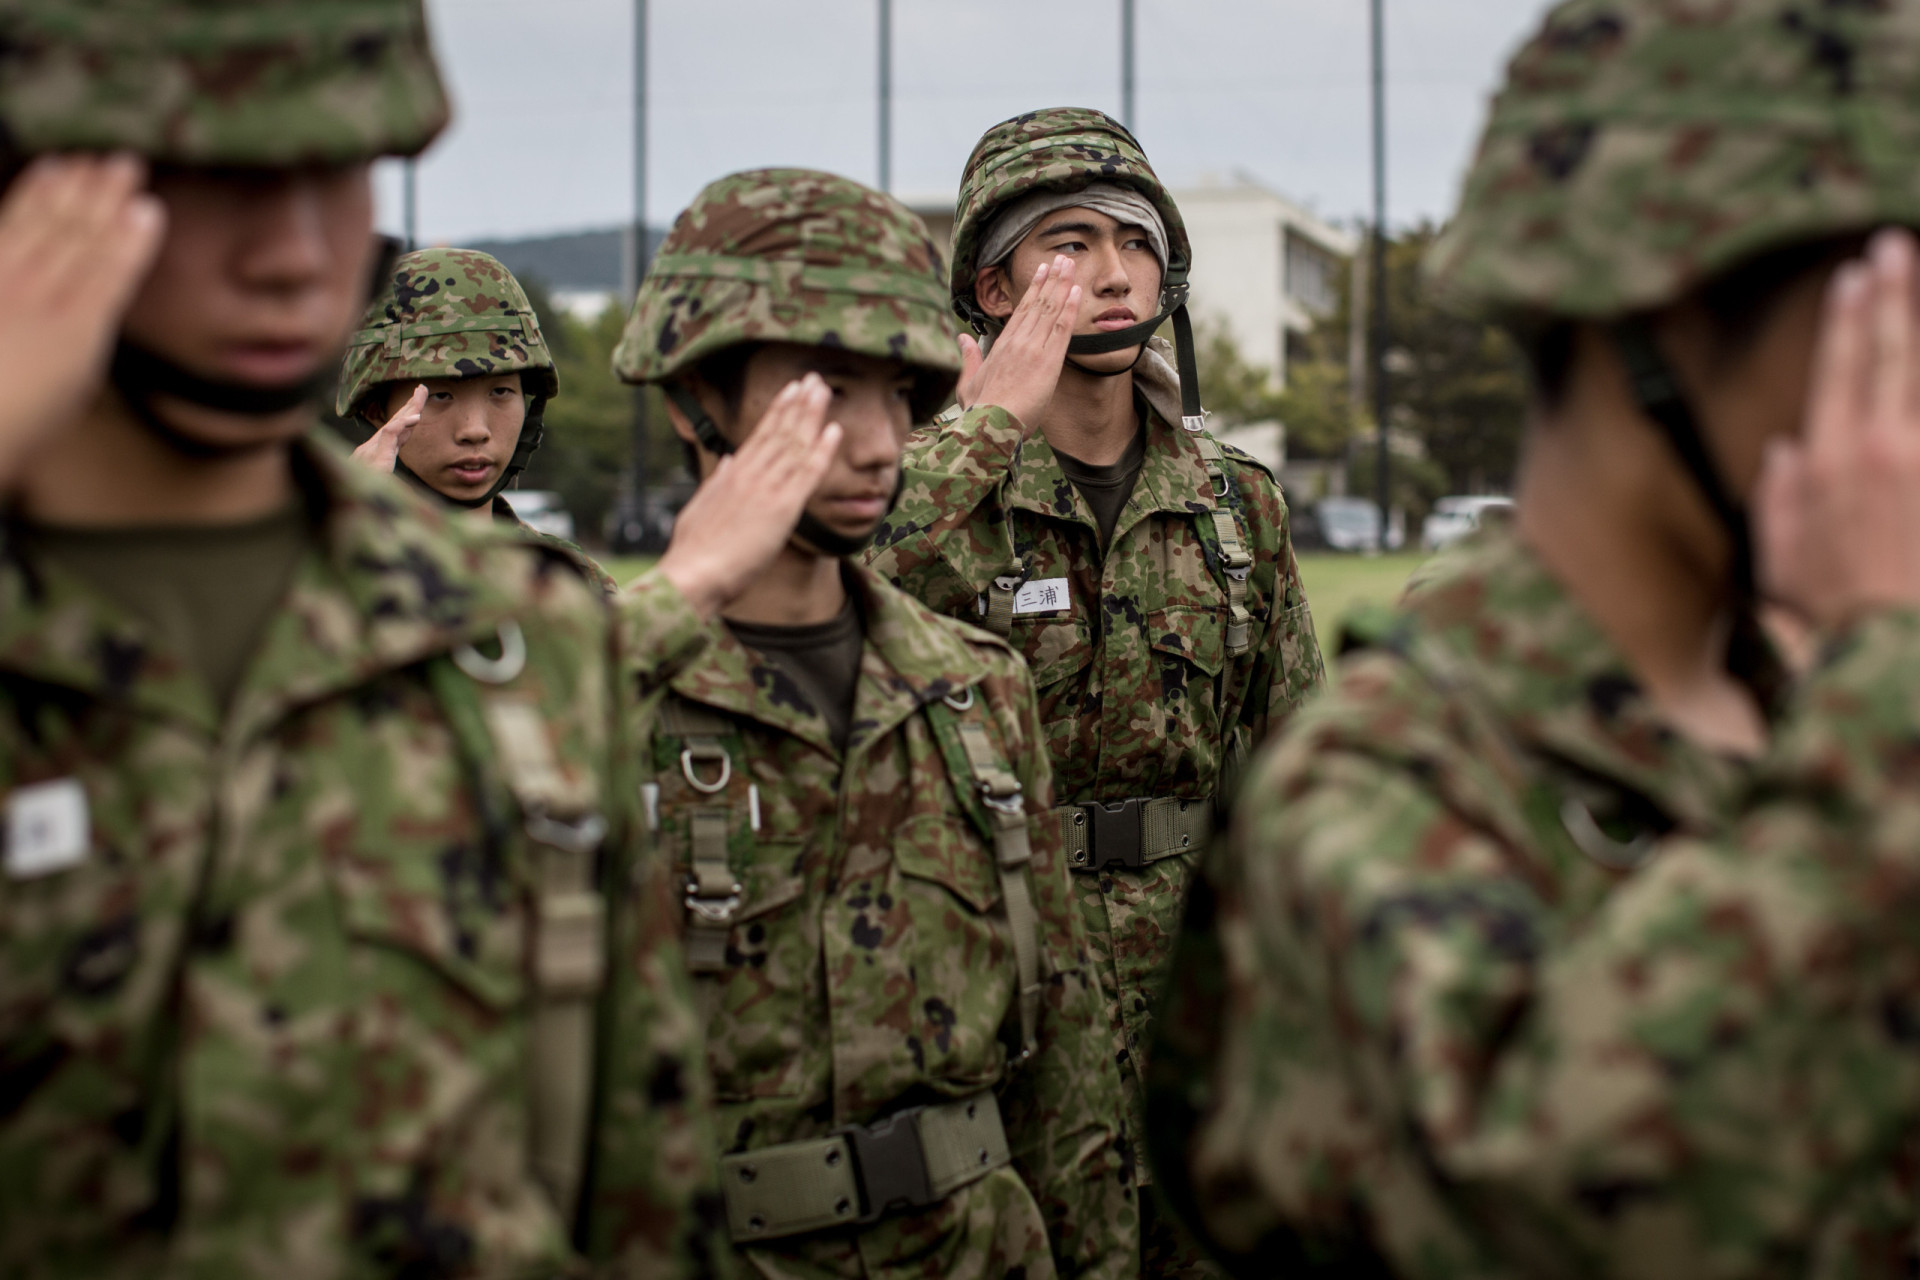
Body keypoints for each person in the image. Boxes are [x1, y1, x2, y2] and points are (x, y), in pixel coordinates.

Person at [0, 1, 839, 1273]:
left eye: (338, 174)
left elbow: (641, 1177)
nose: (292, 252)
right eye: (220, 180)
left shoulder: (523, 629)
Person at [1147, 1, 1920, 1275]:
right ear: (1662, 308)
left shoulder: (1818, 702)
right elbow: (1547, 1193)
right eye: (1882, 299)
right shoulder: (1376, 791)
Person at [613, 167, 1135, 1279]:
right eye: (823, 388)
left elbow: (1066, 1060)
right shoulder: (593, 689)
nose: (875, 439)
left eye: (900, 393)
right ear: (691, 395)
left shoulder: (973, 687)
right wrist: (683, 593)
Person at [864, 106, 1323, 1274]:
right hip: (992, 966)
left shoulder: (1236, 501)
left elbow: (1302, 759)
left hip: (1195, 970)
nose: (1112, 273)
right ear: (994, 284)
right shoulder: (934, 489)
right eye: (1067, 244)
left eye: (1133, 240)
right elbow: (832, 590)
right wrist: (978, 433)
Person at [337, 246, 617, 595]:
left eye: (500, 392)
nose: (474, 430)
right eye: (440, 396)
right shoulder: (327, 575)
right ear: (376, 410)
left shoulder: (578, 584)